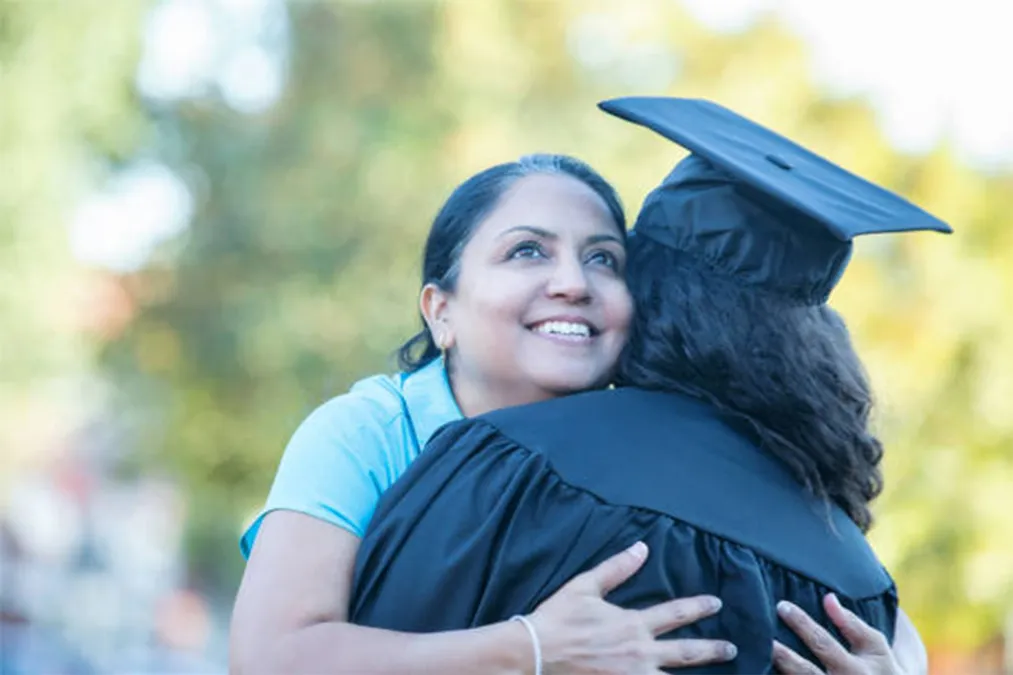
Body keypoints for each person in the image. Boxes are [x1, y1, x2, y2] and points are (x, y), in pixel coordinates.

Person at [347, 97, 951, 673]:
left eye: (604, 261)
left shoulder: (507, 463)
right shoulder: (858, 582)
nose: (574, 285)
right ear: (817, 342)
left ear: (648, 292)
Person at [229, 153, 741, 674]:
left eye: (603, 259)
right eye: (527, 251)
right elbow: (269, 660)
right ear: (440, 311)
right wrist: (532, 649)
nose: (575, 283)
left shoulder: (661, 464)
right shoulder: (367, 434)